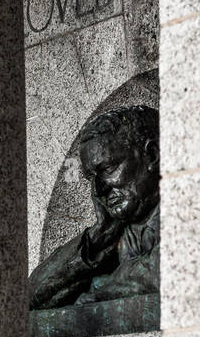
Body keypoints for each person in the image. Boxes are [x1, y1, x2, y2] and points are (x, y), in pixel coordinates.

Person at [29, 105, 160, 310]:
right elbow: (30, 298)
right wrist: (98, 236)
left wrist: (102, 287)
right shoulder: (112, 241)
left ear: (151, 155)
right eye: (92, 178)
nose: (99, 190)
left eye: (108, 169)